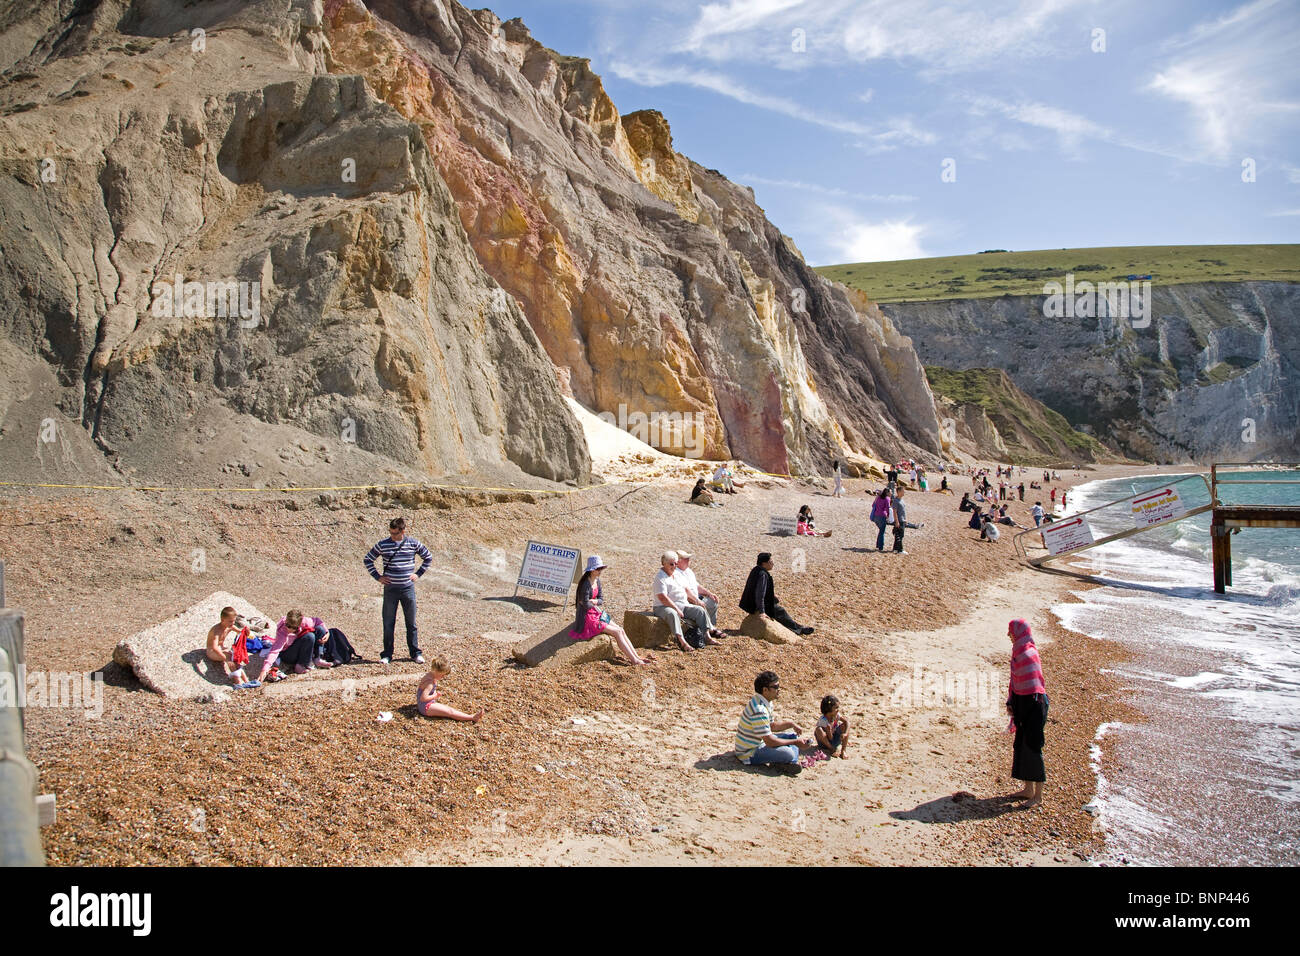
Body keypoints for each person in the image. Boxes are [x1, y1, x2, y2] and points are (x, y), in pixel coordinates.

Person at [363, 516, 432, 664]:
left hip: (407, 588)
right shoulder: (383, 544)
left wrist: (418, 574)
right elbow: (368, 559)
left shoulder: (413, 543)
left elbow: (428, 557)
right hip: (390, 589)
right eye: (391, 533)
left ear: (403, 531)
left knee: (411, 623)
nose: (392, 536)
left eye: (395, 533)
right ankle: (387, 654)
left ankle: (415, 653)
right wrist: (378, 577)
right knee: (388, 623)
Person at [571, 556, 654, 665]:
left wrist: (594, 601)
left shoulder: (597, 581)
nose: (600, 571)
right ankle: (634, 661)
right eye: (598, 569)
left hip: (596, 612)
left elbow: (600, 599)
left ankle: (637, 657)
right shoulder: (585, 584)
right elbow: (585, 605)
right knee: (617, 632)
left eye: (601, 568)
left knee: (621, 629)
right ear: (591, 570)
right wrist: (593, 602)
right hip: (588, 618)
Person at [1005, 619, 1047, 805]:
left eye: (1011, 632)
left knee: (1033, 746)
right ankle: (1028, 789)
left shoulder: (1028, 653)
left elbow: (1035, 686)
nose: (1009, 635)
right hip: (1023, 703)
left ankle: (1038, 796)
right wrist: (1011, 702)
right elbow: (1015, 681)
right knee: (1021, 745)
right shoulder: (1018, 651)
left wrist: (1021, 704)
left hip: (1034, 705)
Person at [734, 671, 814, 767]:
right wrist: (795, 743)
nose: (779, 690)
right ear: (765, 690)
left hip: (761, 743)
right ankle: (790, 762)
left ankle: (788, 762)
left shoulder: (764, 701)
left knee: (793, 736)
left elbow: (771, 726)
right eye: (775, 687)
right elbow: (770, 741)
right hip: (749, 753)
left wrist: (791, 724)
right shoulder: (759, 710)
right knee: (788, 753)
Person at [653, 551, 720, 651]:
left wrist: (697, 601)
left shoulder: (677, 574)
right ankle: (682, 642)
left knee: (700, 610)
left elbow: (686, 589)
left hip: (682, 604)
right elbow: (663, 598)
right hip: (663, 606)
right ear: (664, 563)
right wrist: (676, 609)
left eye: (675, 563)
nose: (674, 566)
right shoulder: (660, 577)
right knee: (672, 613)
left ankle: (707, 636)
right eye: (671, 564)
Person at [738, 553, 812, 636]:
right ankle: (799, 629)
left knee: (775, 601)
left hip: (747, 602)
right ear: (764, 563)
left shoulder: (756, 569)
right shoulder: (762, 574)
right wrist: (762, 611)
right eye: (770, 562)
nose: (772, 563)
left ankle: (798, 626)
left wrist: (772, 596)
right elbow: (760, 594)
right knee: (780, 611)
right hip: (753, 604)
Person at [257, 609, 332, 682]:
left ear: (299, 624)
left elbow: (318, 621)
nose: (290, 629)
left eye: (294, 628)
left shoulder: (305, 621)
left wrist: (327, 632)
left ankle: (317, 658)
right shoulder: (282, 630)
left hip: (298, 646)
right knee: (310, 636)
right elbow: (275, 651)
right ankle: (301, 665)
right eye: (288, 626)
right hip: (287, 654)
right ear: (286, 621)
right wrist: (264, 669)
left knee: (320, 629)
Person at [416, 657, 484, 722]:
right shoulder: (430, 683)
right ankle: (472, 717)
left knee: (449, 709)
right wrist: (435, 696)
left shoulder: (429, 675)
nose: (443, 677)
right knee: (449, 712)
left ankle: (470, 716)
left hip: (424, 704)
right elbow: (423, 698)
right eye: (442, 675)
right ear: (436, 671)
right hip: (425, 707)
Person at [205, 606, 258, 688]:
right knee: (230, 659)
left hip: (221, 649)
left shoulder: (229, 627)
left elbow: (240, 633)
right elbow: (214, 647)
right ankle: (238, 682)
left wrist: (246, 632)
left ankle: (246, 680)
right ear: (222, 620)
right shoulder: (216, 630)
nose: (232, 623)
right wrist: (224, 658)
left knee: (236, 657)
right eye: (230, 621)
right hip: (212, 651)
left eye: (233, 621)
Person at [675, 552, 723, 640]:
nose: (689, 560)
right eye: (686, 559)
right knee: (701, 606)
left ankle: (711, 625)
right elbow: (684, 592)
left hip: (696, 597)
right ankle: (711, 629)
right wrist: (696, 601)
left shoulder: (688, 571)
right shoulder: (676, 573)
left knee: (712, 601)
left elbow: (697, 586)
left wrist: (709, 593)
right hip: (686, 601)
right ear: (679, 561)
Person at [814, 695, 849, 759]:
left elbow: (847, 722)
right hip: (825, 743)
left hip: (834, 739)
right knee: (818, 729)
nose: (838, 710)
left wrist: (845, 733)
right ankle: (832, 749)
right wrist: (829, 731)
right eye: (836, 708)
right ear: (829, 709)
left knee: (844, 726)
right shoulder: (823, 721)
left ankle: (843, 750)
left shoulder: (836, 715)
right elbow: (830, 738)